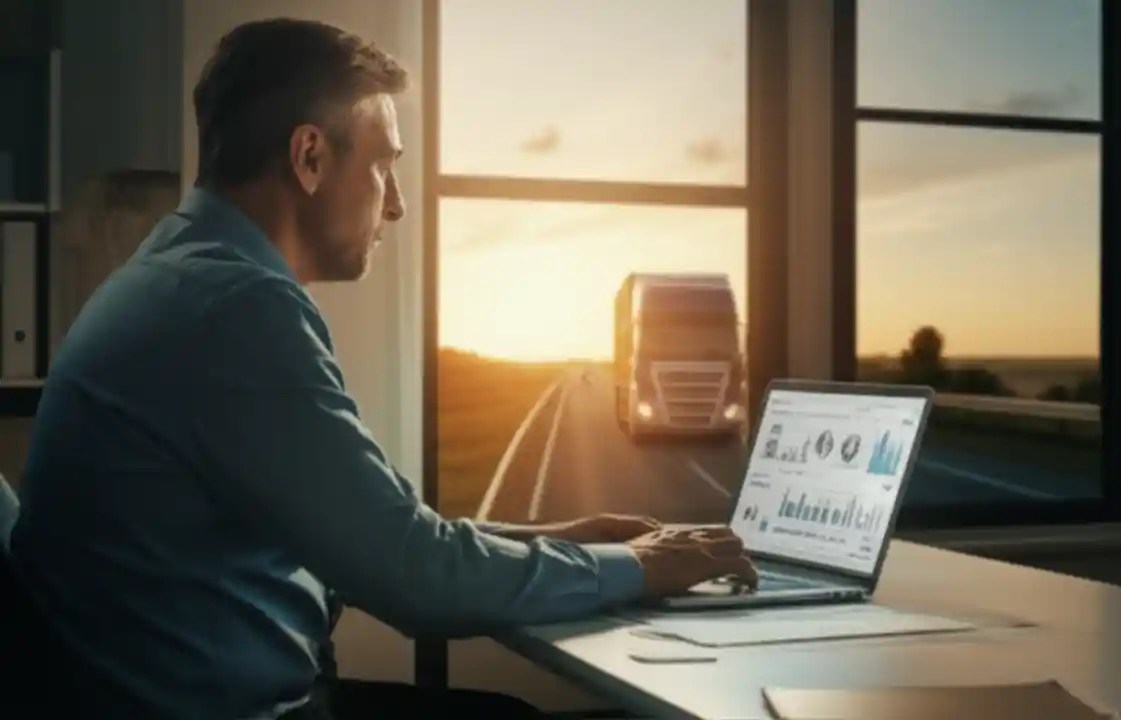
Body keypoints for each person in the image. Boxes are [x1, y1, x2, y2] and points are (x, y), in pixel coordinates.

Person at [9, 17, 756, 720]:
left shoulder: (178, 275)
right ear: (309, 158)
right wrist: (636, 568)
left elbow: (368, 534)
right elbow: (412, 577)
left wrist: (556, 538)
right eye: (384, 168)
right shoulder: (237, 307)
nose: (395, 204)